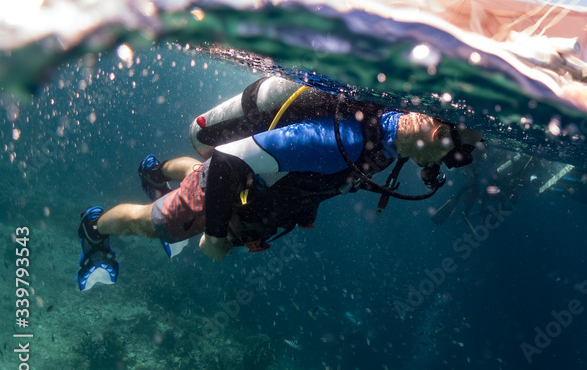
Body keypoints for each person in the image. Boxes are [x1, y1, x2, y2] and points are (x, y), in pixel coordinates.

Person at [76, 77, 481, 291]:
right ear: (437, 132)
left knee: (198, 175)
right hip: (231, 178)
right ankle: (94, 228)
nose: (447, 166)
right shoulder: (341, 141)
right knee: (152, 224)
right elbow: (227, 160)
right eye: (456, 156)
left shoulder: (390, 140)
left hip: (249, 179)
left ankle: (154, 171)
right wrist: (214, 236)